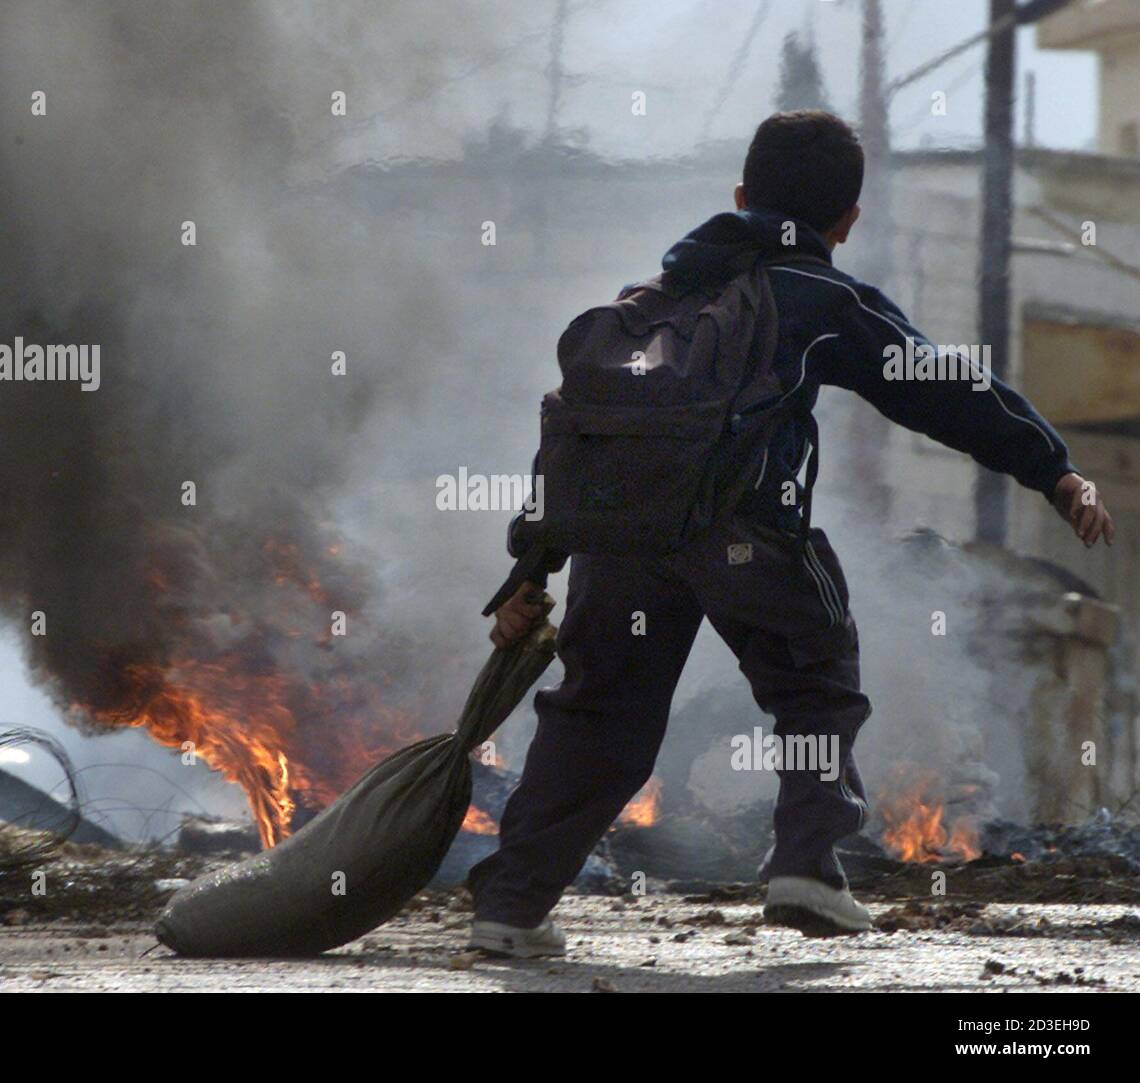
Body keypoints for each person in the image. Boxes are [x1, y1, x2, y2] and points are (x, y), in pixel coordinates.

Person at [468, 110, 1115, 957]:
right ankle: (807, 864)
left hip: (618, 546)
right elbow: (937, 384)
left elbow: (582, 441)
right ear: (848, 220)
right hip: (742, 536)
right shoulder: (818, 295)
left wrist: (531, 571)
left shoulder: (650, 303)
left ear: (739, 196)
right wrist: (1052, 468)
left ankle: (510, 908)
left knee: (596, 717)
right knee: (815, 678)